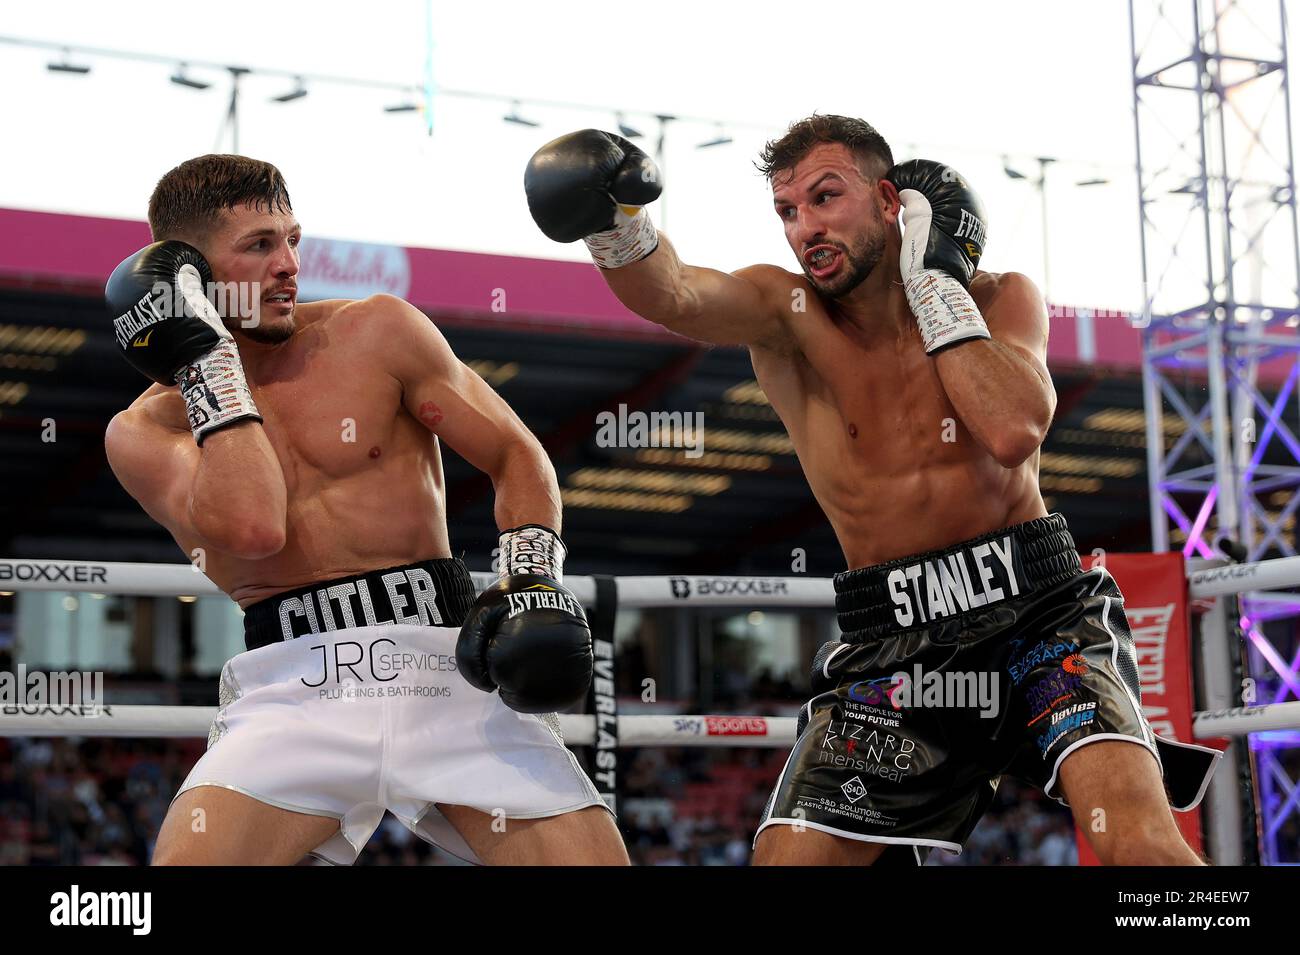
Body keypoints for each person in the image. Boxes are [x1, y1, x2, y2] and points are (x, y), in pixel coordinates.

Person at [523, 116, 1220, 865]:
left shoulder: (999, 297)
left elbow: (1013, 427)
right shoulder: (787, 315)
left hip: (1040, 614)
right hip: (894, 644)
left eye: (826, 198)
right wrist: (613, 221)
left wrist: (933, 284)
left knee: (1139, 844)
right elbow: (678, 296)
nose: (805, 228)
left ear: (891, 201)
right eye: (788, 211)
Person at [104, 154, 626, 866]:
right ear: (187, 273)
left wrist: (532, 577)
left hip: (447, 667)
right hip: (295, 687)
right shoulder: (145, 430)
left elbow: (516, 454)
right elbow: (255, 526)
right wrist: (208, 358)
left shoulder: (378, 331)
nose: (289, 263)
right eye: (260, 245)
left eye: (292, 238)